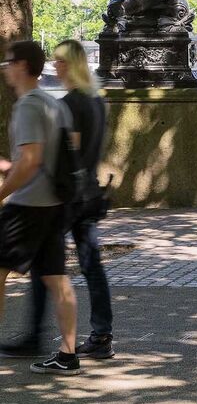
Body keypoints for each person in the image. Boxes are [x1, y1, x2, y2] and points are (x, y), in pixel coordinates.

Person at [0, 41, 114, 361]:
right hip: (82, 191)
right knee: (73, 268)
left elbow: (51, 155)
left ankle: (37, 336)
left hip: (59, 196)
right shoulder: (93, 102)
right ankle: (92, 337)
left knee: (43, 270)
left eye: (61, 62)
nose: (57, 67)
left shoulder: (67, 103)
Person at [0, 41, 81, 374]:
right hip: (54, 203)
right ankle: (68, 354)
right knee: (56, 278)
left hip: (26, 205)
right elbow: (63, 150)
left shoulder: (30, 105)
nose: (5, 69)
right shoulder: (54, 104)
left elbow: (31, 160)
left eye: (7, 63)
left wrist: (3, 191)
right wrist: (10, 165)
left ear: (21, 65)